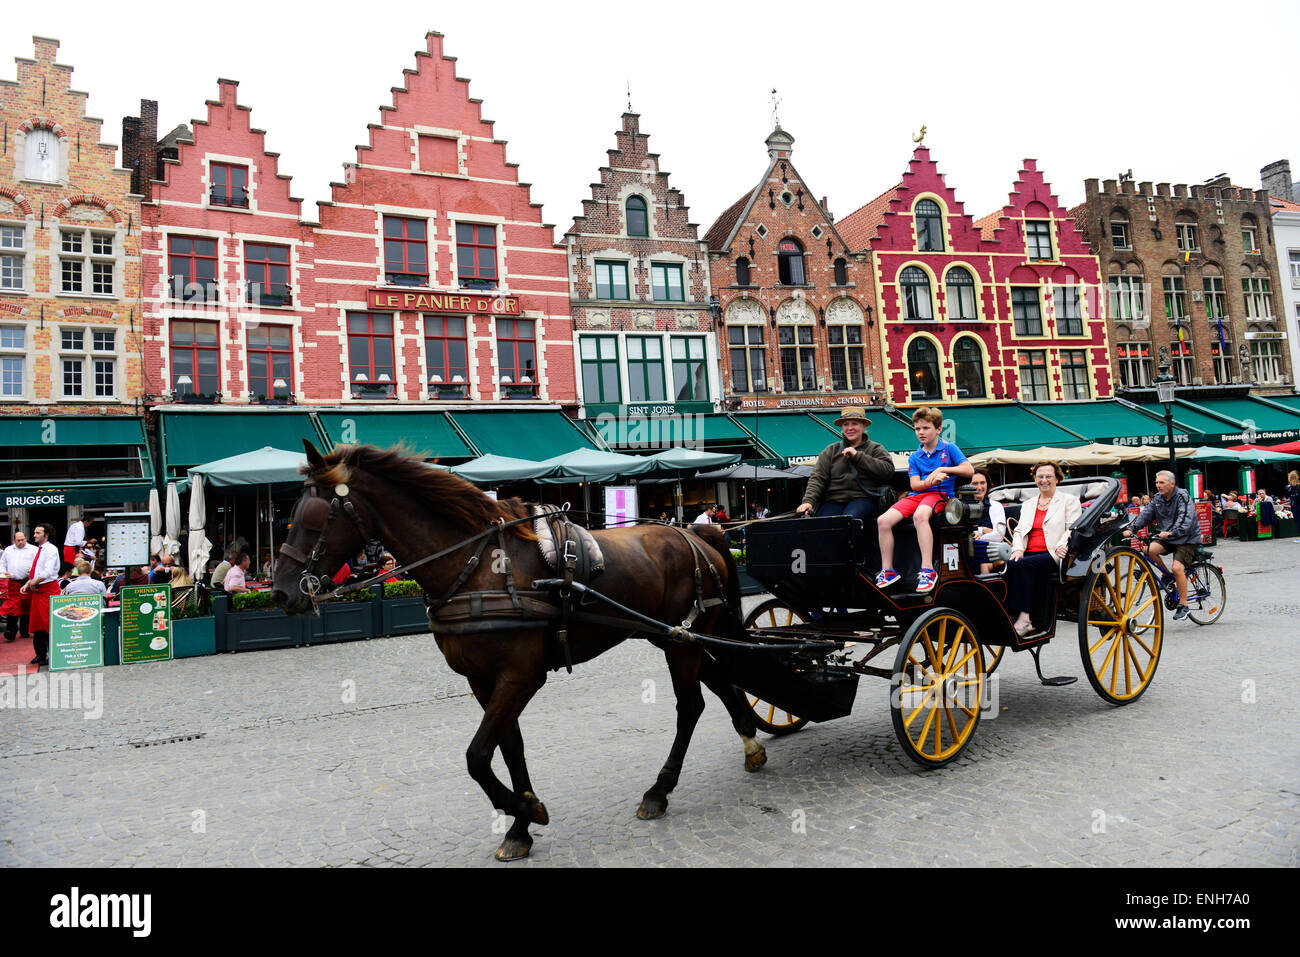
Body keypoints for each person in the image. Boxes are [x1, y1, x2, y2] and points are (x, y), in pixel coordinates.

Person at [876, 407, 972, 593]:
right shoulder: (915, 456)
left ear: (938, 429)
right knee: (883, 521)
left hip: (940, 496)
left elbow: (969, 470)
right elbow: (914, 486)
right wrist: (928, 480)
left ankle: (927, 569)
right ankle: (888, 571)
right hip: (918, 495)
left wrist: (944, 471)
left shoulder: (949, 448)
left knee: (920, 516)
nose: (921, 432)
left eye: (926, 428)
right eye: (917, 429)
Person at [1003, 461, 1082, 636]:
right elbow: (1019, 531)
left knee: (1024, 565)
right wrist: (1017, 549)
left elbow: (1072, 528)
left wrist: (1063, 544)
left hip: (1054, 552)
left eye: (1048, 476)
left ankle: (1025, 619)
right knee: (1010, 564)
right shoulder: (1029, 504)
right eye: (1040, 476)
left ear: (1057, 479)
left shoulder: (1069, 501)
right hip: (1029, 551)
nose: (1044, 480)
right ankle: (1011, 614)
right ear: (1035, 479)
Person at [796, 406, 895, 524]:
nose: (850, 428)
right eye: (846, 424)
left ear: (863, 426)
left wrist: (858, 457)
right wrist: (808, 502)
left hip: (864, 498)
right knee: (823, 524)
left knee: (850, 521)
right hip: (834, 500)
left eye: (855, 424)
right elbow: (818, 478)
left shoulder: (875, 448)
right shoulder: (831, 450)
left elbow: (887, 472)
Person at [1123, 469, 1198, 621]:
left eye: (1161, 482)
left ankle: (1183, 606)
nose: (1158, 485)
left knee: (1177, 568)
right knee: (1148, 550)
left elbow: (1185, 518)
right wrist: (1132, 528)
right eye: (1156, 482)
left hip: (1186, 538)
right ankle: (1167, 576)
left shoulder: (1182, 496)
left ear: (1172, 484)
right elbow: (1146, 515)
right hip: (1168, 536)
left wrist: (1172, 532)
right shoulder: (1157, 498)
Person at [21, 523, 62, 667]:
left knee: (48, 624)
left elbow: (48, 572)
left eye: (37, 533)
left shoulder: (51, 550)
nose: (34, 535)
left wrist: (33, 582)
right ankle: (40, 653)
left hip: (47, 590)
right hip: (38, 590)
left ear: (46, 535)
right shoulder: (41, 549)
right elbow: (37, 571)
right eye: (34, 532)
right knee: (37, 624)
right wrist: (28, 584)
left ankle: (52, 655)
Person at [969, 468, 1007, 574]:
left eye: (982, 483)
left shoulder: (996, 506)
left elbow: (999, 535)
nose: (979, 487)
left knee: (983, 561)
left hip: (991, 551)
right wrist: (986, 530)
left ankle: (986, 589)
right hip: (967, 551)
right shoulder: (960, 507)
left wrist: (979, 532)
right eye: (975, 483)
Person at [1, 529, 37, 642]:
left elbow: (37, 565)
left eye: (23, 540)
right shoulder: (8, 550)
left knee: (26, 606)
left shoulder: (33, 549)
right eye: (18, 540)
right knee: (12, 606)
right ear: (14, 540)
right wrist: (3, 573)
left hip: (27, 581)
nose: (21, 542)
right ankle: (11, 631)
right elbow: (2, 564)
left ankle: (25, 630)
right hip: (12, 581)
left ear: (26, 539)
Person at [1286, 471, 1300, 543]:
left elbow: (1287, 496)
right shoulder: (1291, 487)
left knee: (1298, 521)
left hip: (1296, 506)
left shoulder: (1293, 487)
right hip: (1296, 506)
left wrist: (1291, 493)